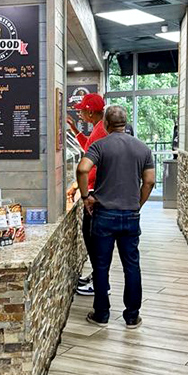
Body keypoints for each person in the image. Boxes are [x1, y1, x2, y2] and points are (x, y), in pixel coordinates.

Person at [76, 105, 155, 328]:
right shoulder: (143, 148)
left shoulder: (100, 145)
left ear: (106, 125)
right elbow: (149, 181)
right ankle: (132, 316)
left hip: (104, 215)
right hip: (130, 216)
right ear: (125, 122)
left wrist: (85, 197)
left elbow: (83, 169)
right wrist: (137, 204)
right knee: (132, 265)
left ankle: (101, 314)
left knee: (101, 266)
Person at [66, 93, 108, 296]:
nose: (80, 113)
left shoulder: (101, 131)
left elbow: (93, 166)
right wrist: (74, 129)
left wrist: (78, 186)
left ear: (91, 111)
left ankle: (101, 285)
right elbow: (87, 148)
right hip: (96, 192)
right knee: (93, 238)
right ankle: (98, 276)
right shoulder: (97, 129)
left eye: (82, 110)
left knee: (93, 239)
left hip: (96, 194)